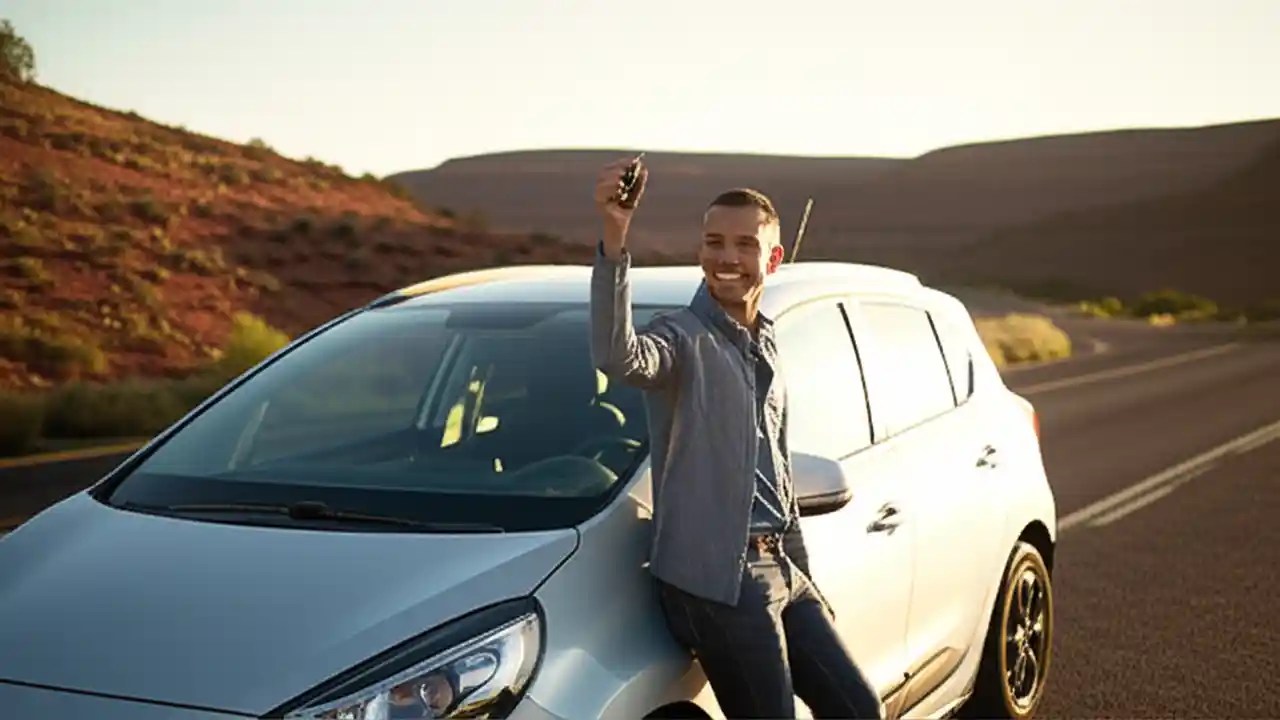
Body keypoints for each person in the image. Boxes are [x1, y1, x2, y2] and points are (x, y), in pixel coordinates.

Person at [589, 156, 884, 719]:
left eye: (745, 245)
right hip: (720, 581)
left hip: (780, 567)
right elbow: (618, 356)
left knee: (858, 708)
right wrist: (614, 233)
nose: (727, 258)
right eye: (714, 242)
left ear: (772, 258)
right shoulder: (681, 340)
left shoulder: (766, 343)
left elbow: (779, 478)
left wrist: (804, 579)